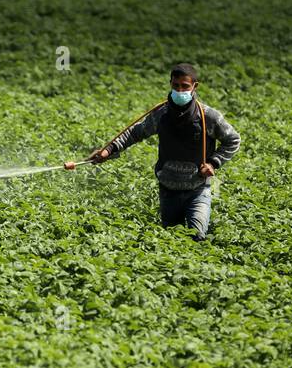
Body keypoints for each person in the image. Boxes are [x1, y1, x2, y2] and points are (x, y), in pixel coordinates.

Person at [88, 64, 241, 242]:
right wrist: (108, 150)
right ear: (170, 83)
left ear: (195, 87)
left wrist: (213, 163)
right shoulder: (161, 114)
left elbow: (233, 139)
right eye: (176, 86)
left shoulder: (208, 116)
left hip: (198, 189)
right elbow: (134, 133)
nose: (180, 90)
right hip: (168, 188)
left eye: (185, 86)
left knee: (196, 237)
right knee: (170, 240)